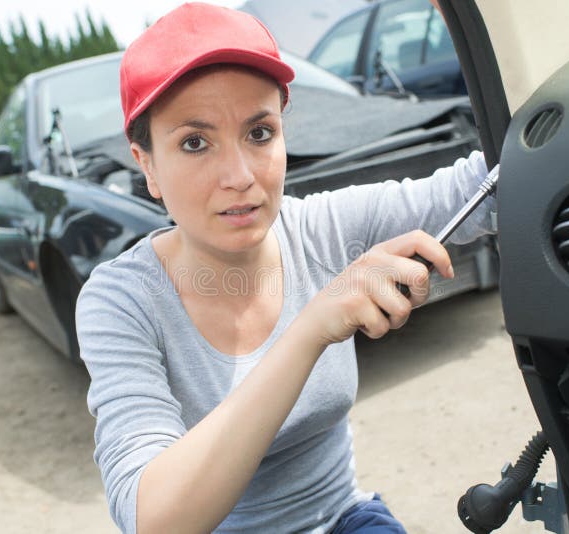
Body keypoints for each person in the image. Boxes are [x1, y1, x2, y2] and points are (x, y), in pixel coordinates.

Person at [75, 3, 497, 533]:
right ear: (148, 167)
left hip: (343, 519)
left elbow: (484, 186)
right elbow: (153, 518)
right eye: (195, 143)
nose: (239, 176)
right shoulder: (122, 300)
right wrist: (310, 330)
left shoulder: (319, 229)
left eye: (259, 133)